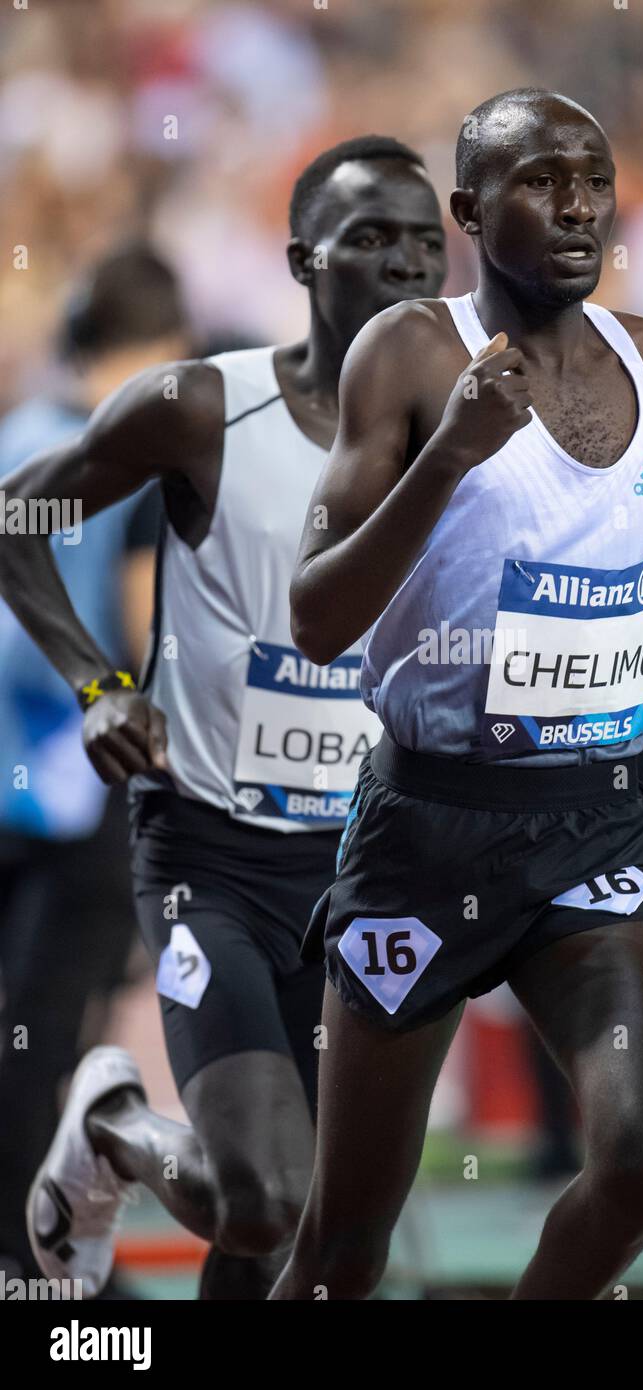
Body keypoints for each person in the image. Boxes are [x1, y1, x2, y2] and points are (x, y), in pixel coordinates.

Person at [272, 88, 643, 1301]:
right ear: (473, 212)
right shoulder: (412, 354)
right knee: (341, 1250)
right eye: (539, 181)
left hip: (590, 826)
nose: (576, 205)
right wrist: (449, 455)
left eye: (592, 177)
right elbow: (315, 616)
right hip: (426, 832)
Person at [0, 136, 447, 1300]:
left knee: (291, 1239)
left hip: (362, 871)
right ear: (304, 258)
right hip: (212, 856)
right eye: (369, 240)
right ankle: (107, 1128)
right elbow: (15, 518)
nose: (403, 266)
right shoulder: (203, 404)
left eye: (422, 243)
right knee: (260, 1193)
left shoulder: (459, 440)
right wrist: (102, 685)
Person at [0, 243, 179, 1293]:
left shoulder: (15, 434)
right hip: (83, 775)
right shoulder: (128, 464)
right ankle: (38, 1259)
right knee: (49, 1032)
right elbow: (149, 634)